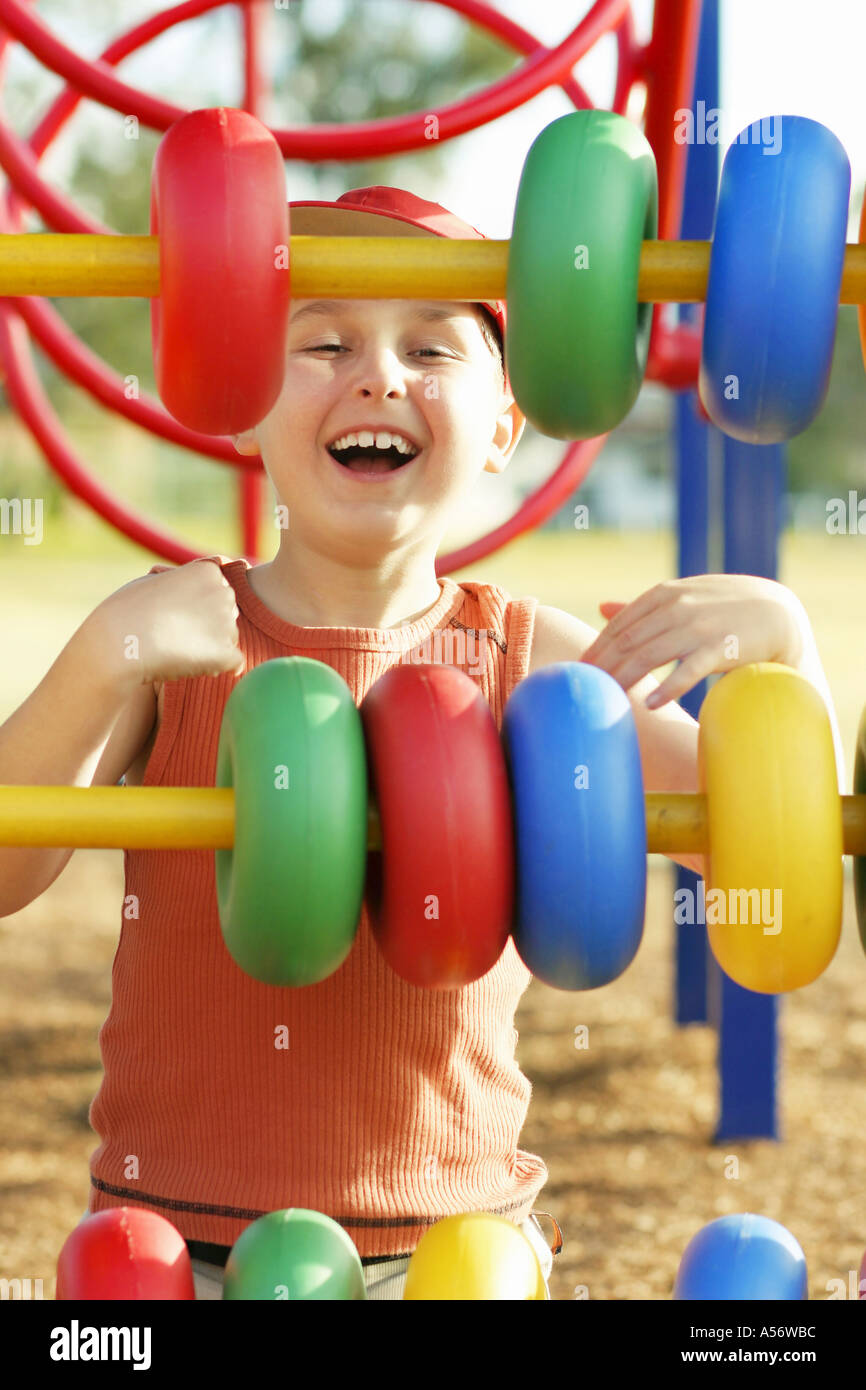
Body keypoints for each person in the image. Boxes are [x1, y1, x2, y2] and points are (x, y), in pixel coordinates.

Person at [0, 187, 844, 1302]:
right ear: (247, 399)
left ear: (504, 424)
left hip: (451, 1252)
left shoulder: (539, 664)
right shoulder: (172, 641)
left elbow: (778, 873)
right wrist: (103, 652)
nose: (378, 375)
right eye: (325, 339)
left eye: (431, 345)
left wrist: (785, 655)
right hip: (170, 1253)